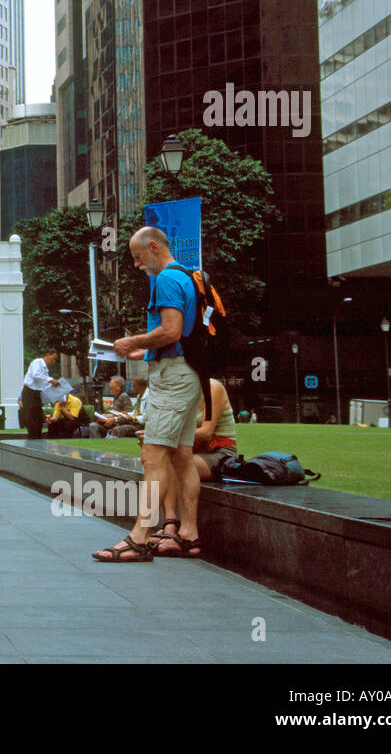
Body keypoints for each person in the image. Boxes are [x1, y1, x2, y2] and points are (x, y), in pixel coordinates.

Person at [94, 226, 203, 562]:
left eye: (138, 257)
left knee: (152, 456)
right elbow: (180, 335)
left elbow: (169, 329)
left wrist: (134, 341)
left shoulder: (167, 279)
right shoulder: (188, 275)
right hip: (187, 372)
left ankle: (139, 538)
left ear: (154, 247)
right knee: (182, 457)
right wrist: (145, 352)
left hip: (172, 379)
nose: (137, 265)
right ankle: (189, 535)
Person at [151, 379, 239, 558]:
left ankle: (181, 530)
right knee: (160, 459)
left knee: (171, 463)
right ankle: (170, 525)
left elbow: (207, 432)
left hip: (219, 453)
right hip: (189, 453)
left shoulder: (212, 388)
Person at [19, 351, 60, 438]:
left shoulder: (45, 370)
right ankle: (33, 437)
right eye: (54, 358)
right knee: (31, 416)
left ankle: (37, 436)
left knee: (38, 415)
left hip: (36, 393)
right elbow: (36, 375)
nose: (54, 361)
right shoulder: (37, 362)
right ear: (48, 354)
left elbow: (44, 384)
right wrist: (51, 380)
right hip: (29, 392)